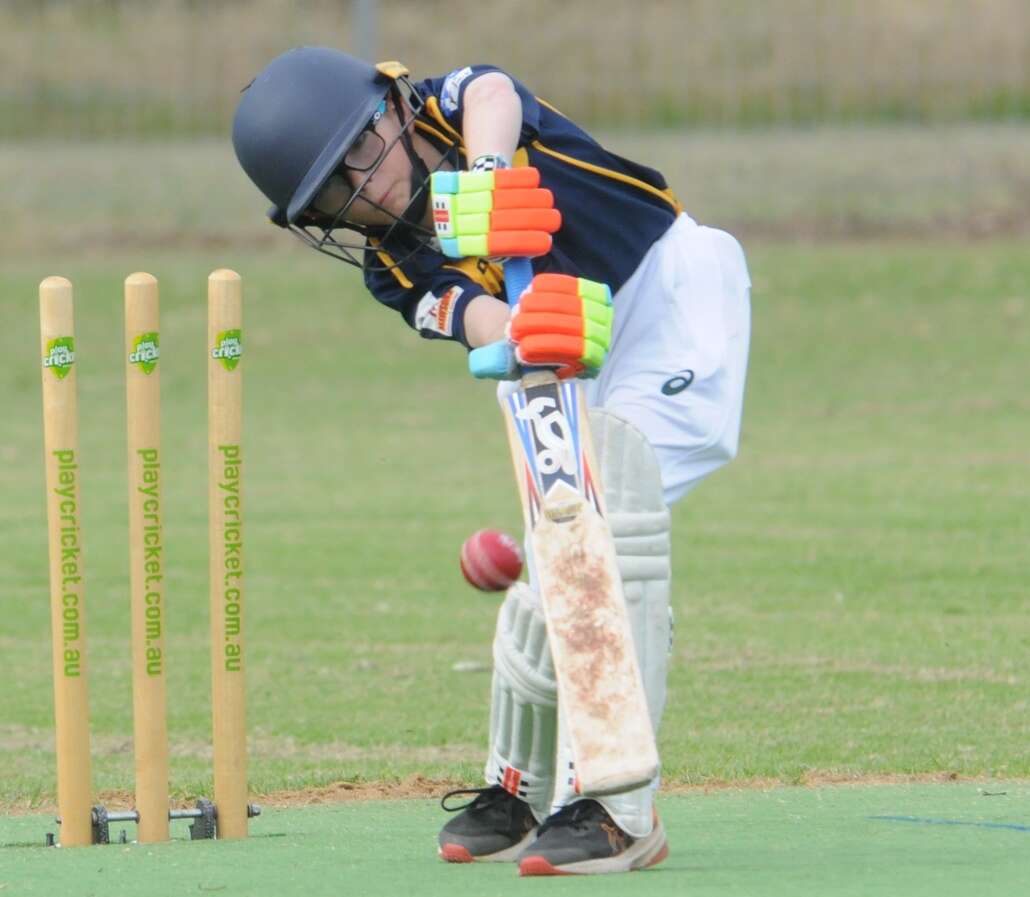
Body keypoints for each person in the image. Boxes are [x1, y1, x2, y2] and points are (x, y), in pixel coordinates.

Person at [230, 46, 751, 876]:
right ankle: (520, 791)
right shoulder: (392, 266)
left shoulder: (454, 108)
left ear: (394, 108)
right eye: (331, 190)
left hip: (669, 297)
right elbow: (477, 319)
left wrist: (487, 179)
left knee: (607, 531)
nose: (364, 189)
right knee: (560, 563)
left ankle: (621, 808)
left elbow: (496, 93)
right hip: (564, 360)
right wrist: (522, 328)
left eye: (360, 151)